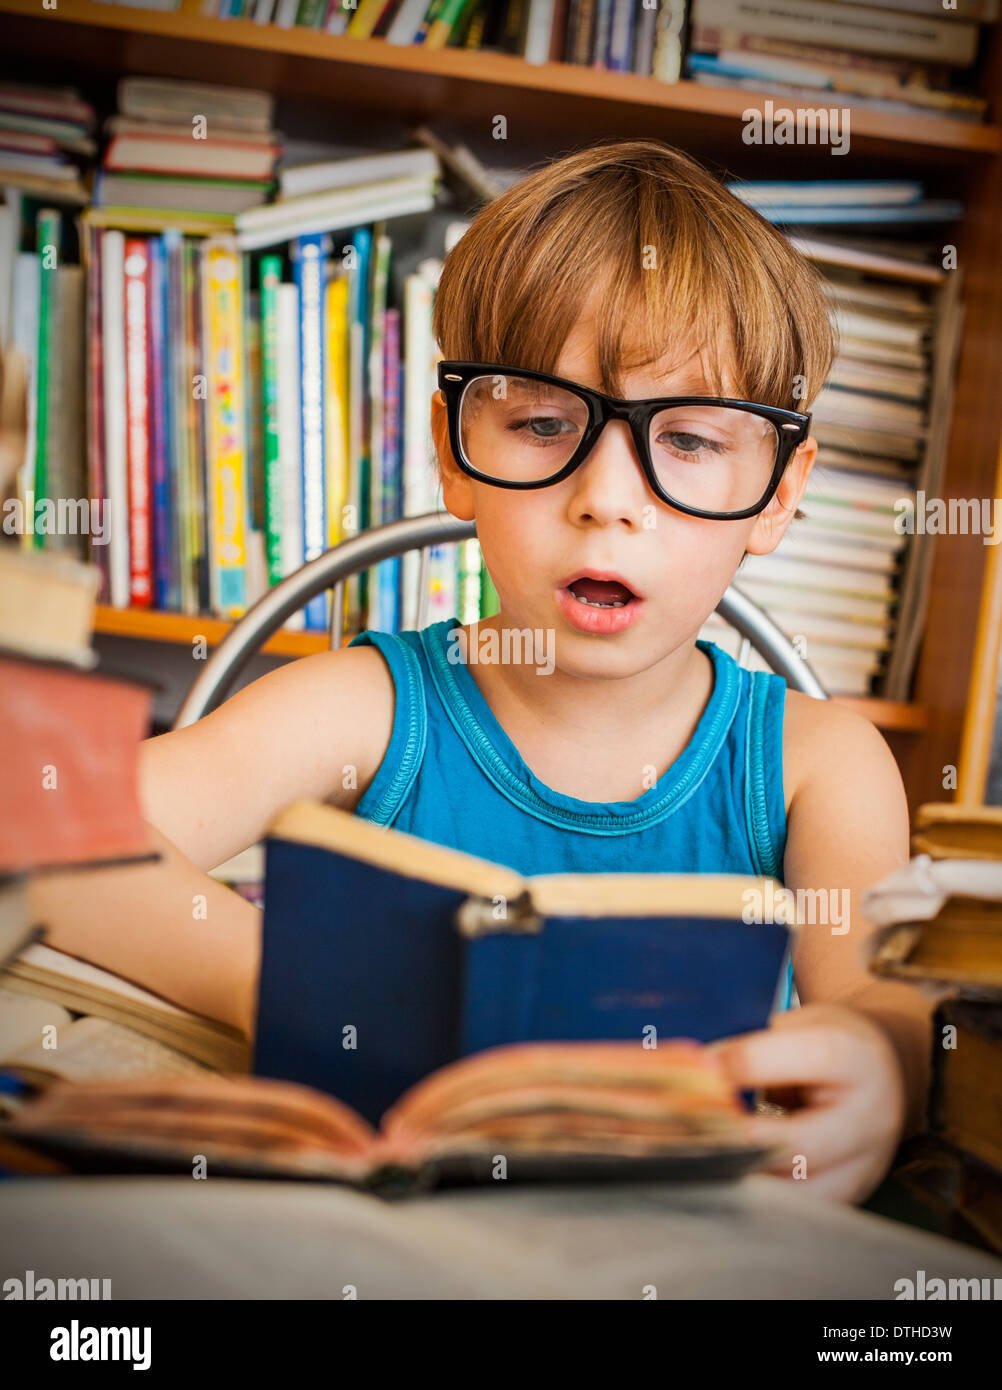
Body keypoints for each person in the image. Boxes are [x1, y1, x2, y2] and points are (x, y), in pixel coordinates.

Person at [32, 138, 933, 1204]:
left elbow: (887, 1005)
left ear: (780, 490)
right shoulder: (368, 708)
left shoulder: (818, 764)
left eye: (688, 440)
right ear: (457, 450)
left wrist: (883, 1063)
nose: (608, 496)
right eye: (544, 423)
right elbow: (43, 827)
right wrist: (281, 980)